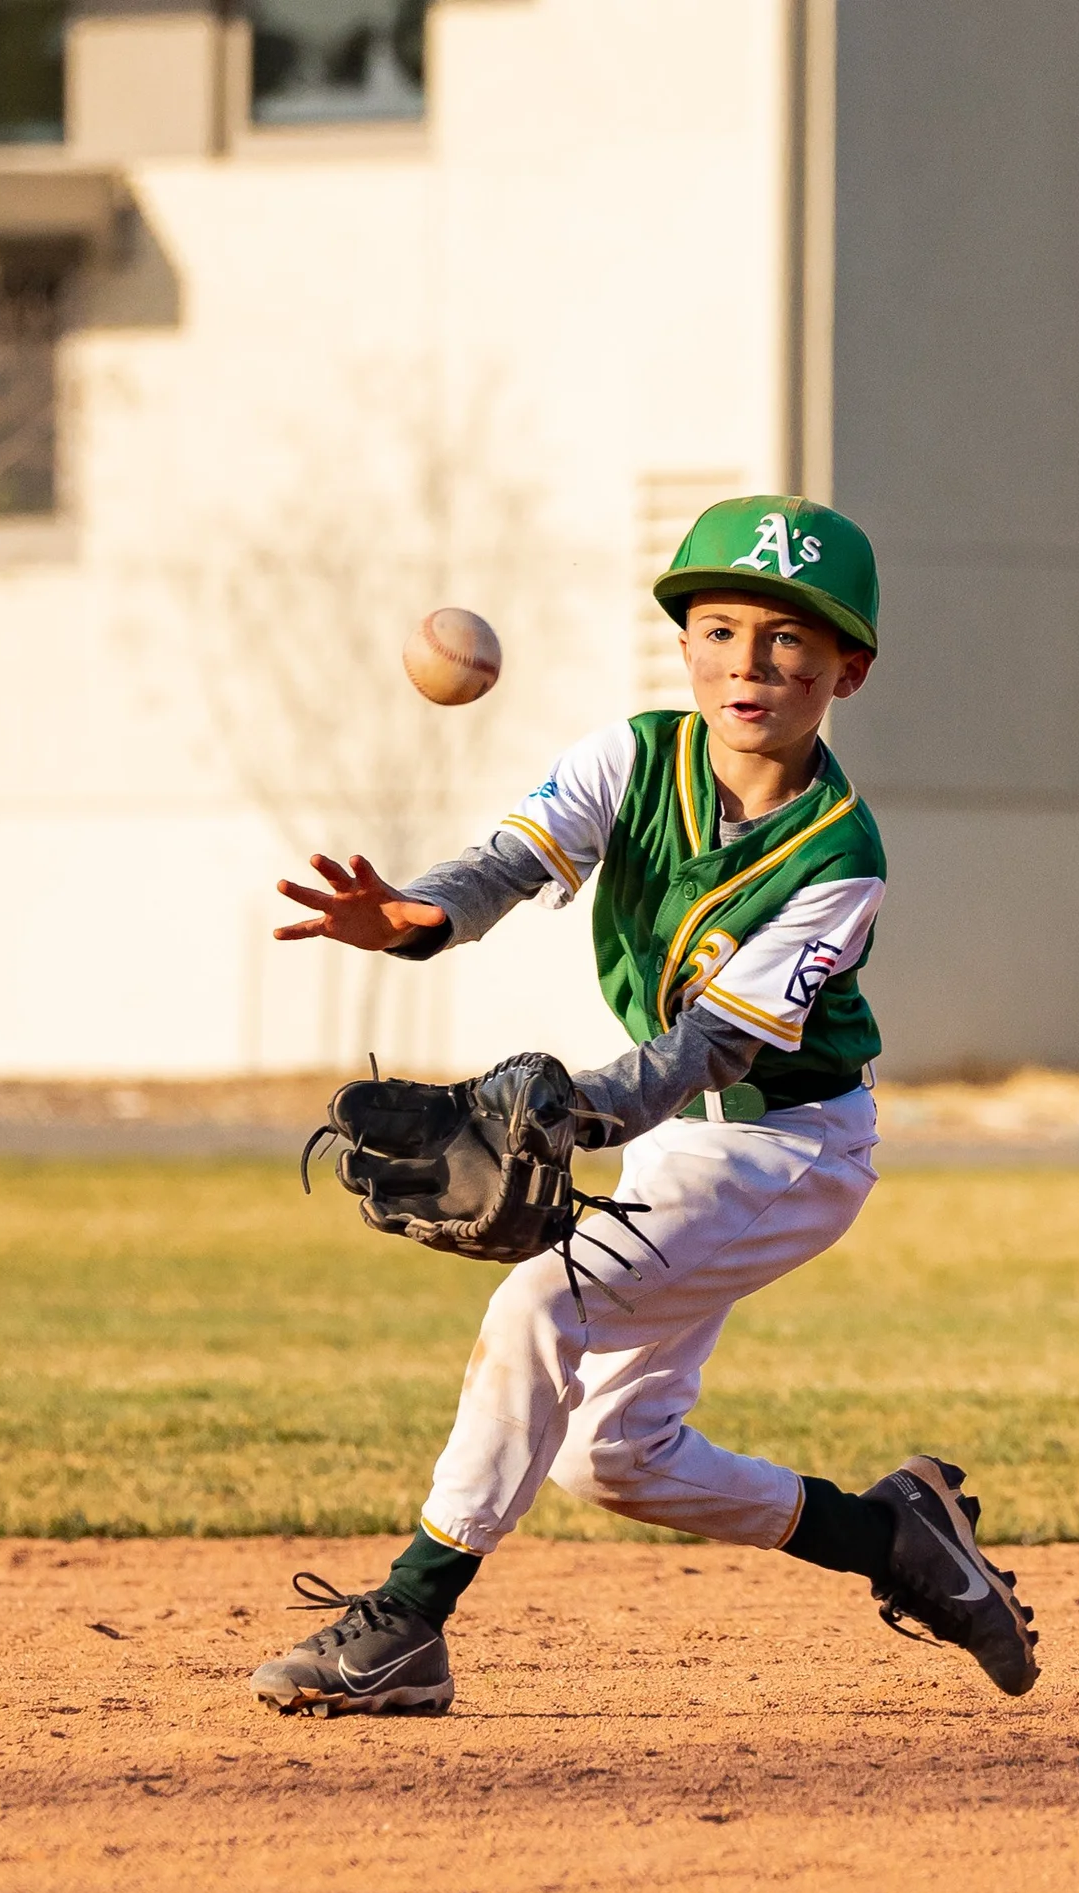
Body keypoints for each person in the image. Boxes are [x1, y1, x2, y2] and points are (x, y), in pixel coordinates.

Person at [248, 496, 1039, 1714]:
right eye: (719, 629)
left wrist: (567, 1114)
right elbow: (518, 858)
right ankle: (896, 1542)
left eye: (788, 640)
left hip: (790, 1150)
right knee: (613, 1459)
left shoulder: (839, 858)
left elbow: (710, 1047)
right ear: (684, 646)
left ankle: (406, 1623)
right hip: (685, 1150)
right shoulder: (637, 754)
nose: (750, 664)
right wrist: (419, 916)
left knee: (537, 1308)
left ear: (849, 670)